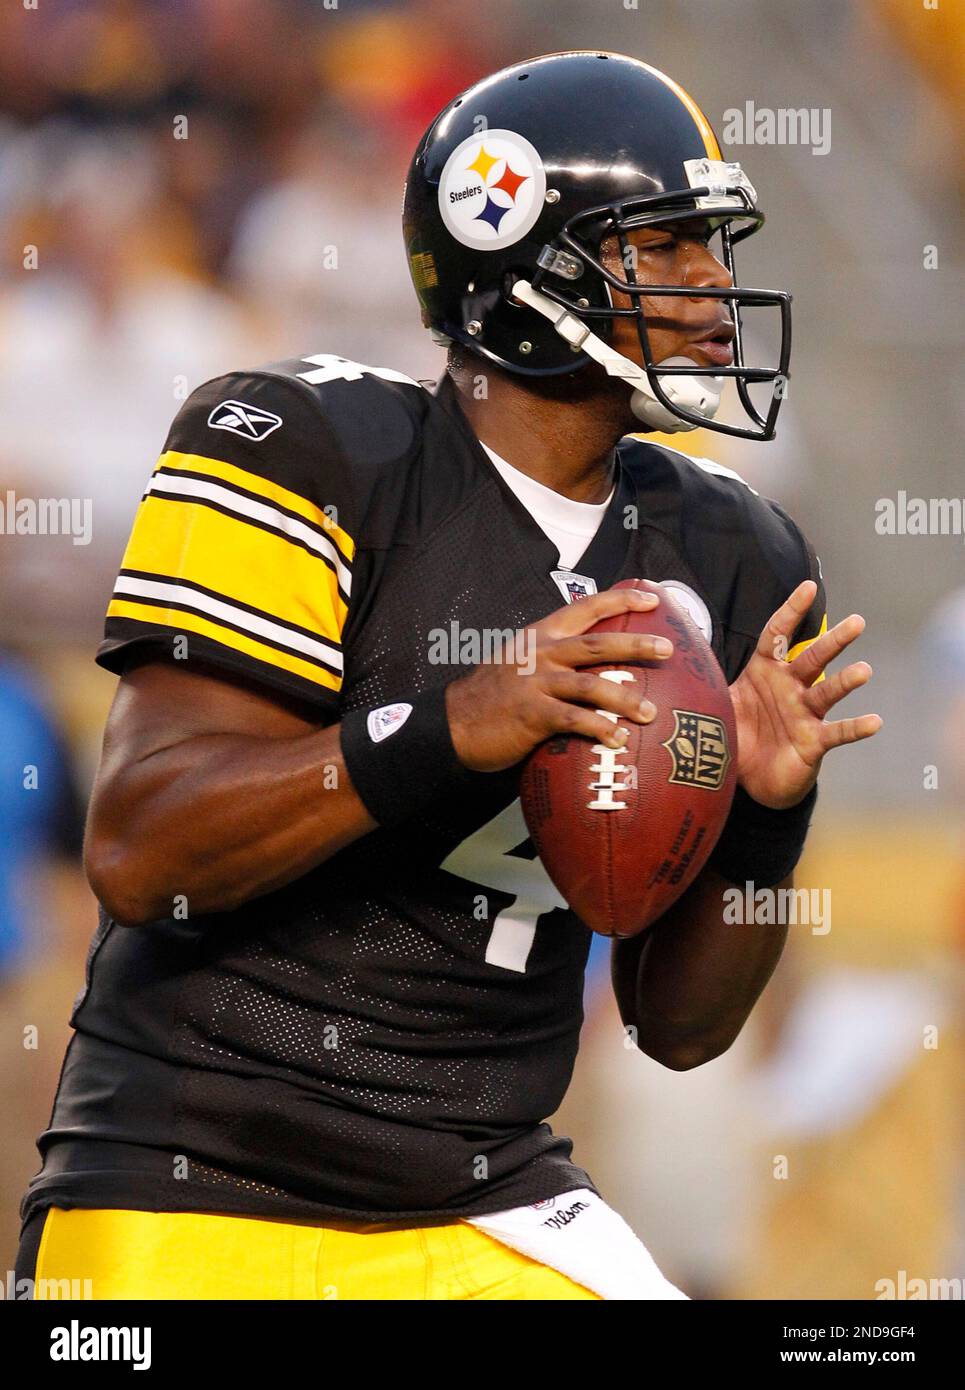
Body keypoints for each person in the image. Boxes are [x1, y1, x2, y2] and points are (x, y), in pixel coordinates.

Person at [18, 52, 881, 1301]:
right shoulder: (306, 448)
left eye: (715, 247)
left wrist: (759, 815)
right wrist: (445, 727)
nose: (715, 287)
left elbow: (681, 1031)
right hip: (192, 1171)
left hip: (486, 1191)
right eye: (666, 247)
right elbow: (143, 852)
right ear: (522, 268)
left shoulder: (732, 548)